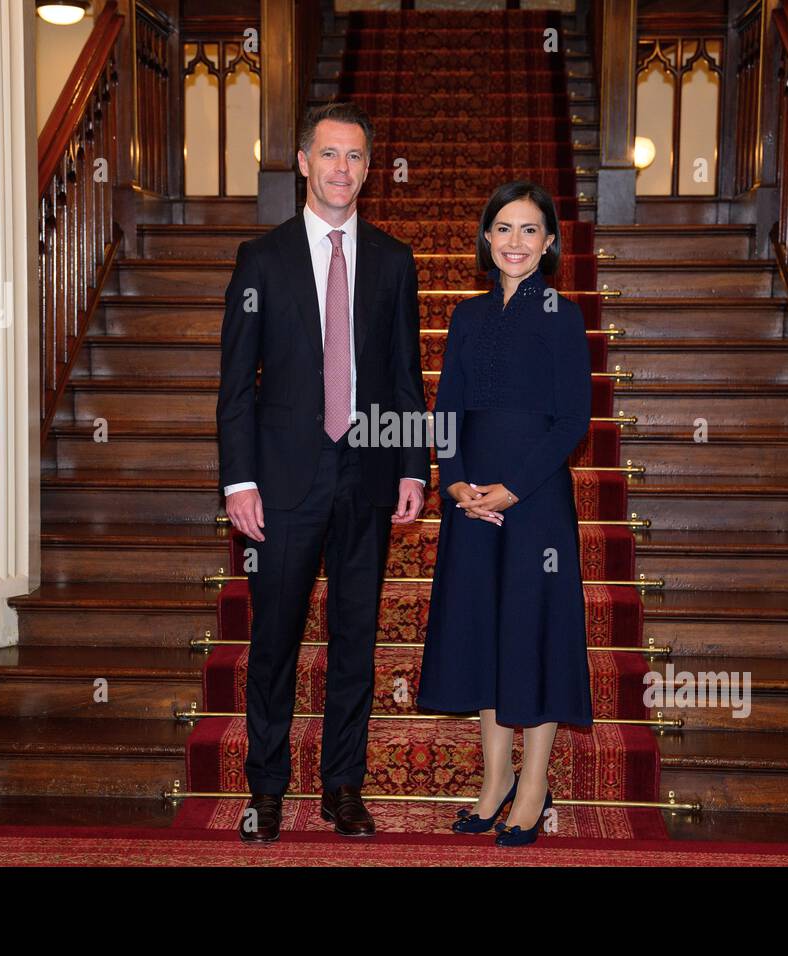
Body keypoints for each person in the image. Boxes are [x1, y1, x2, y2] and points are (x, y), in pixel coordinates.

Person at [216, 101, 428, 841]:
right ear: (303, 162)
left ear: (370, 169)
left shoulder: (394, 261)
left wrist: (413, 468)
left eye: (357, 156)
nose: (344, 169)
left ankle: (343, 786)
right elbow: (236, 383)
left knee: (356, 641)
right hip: (279, 487)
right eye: (330, 154)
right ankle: (267, 788)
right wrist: (238, 482)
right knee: (274, 641)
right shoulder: (261, 260)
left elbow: (407, 375)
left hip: (367, 482)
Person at [416, 181, 594, 847]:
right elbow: (449, 412)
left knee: (535, 637)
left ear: (548, 244)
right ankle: (493, 783)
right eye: (504, 229)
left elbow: (573, 419)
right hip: (473, 508)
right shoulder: (466, 316)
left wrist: (512, 489)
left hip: (536, 501)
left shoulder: (563, 316)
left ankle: (533, 786)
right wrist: (456, 484)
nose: (515, 241)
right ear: (486, 240)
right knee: (489, 634)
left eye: (529, 230)